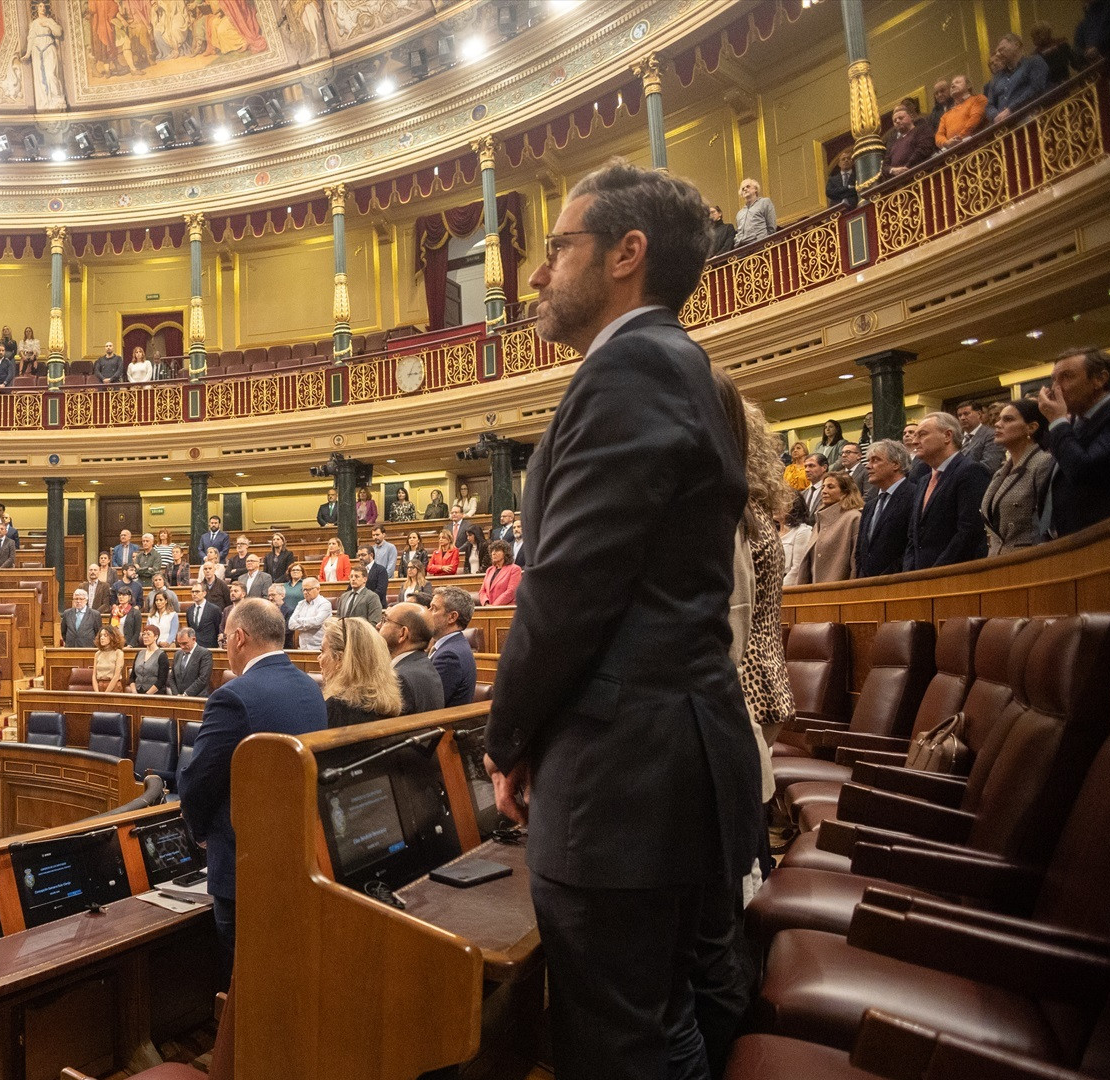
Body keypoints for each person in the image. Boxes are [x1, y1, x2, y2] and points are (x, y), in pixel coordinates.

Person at [482, 162, 762, 1080]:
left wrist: (507, 740)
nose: (537, 273)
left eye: (558, 247)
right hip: (669, 764)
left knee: (621, 1045)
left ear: (626, 254)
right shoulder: (678, 365)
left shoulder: (632, 367)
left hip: (624, 781)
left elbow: (567, 593)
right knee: (676, 1018)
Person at [179, 599, 327, 958]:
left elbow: (199, 781)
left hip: (243, 866)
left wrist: (199, 831)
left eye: (224, 638)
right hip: (297, 857)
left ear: (239, 638)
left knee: (242, 974)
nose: (225, 647)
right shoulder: (310, 687)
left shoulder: (233, 696)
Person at [719, 377, 790, 829]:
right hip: (768, 672)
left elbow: (732, 613)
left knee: (741, 818)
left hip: (746, 680)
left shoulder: (733, 514)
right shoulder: (755, 510)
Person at [1038, 347, 1110, 538]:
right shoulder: (1076, 421)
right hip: (1068, 538)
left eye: (1066, 377)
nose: (1056, 388)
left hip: (1105, 538)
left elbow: (1084, 470)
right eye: (1054, 379)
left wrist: (1057, 421)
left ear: (1099, 379)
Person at [904, 412, 992, 570]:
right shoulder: (923, 481)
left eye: (922, 434)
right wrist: (910, 572)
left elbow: (969, 531)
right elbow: (913, 535)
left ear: (947, 436)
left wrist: (937, 571)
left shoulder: (971, 471)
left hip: (956, 574)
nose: (915, 441)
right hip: (921, 576)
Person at [982, 399, 1056, 555]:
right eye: (999, 419)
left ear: (1031, 427)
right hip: (998, 560)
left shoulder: (1043, 463)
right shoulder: (1000, 473)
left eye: (1008, 419)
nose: (997, 424)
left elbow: (1047, 523)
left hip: (1031, 558)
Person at [317, 616, 402, 729]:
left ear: (339, 659)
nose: (319, 658)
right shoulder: (386, 704)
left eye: (322, 651)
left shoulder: (336, 708)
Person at [854, 439, 919, 577]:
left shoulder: (915, 495)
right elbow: (860, 550)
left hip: (899, 581)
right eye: (868, 461)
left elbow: (912, 543)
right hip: (867, 583)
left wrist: (889, 577)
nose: (868, 466)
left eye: (875, 460)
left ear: (896, 464)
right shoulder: (870, 506)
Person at [379, 602, 445, 715]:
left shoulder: (400, 678)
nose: (378, 625)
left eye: (385, 620)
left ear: (402, 633)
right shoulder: (423, 664)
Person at [803, 473, 863, 584]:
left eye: (830, 487)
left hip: (839, 590)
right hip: (815, 589)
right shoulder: (820, 520)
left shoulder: (853, 518)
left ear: (845, 492)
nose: (824, 491)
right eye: (823, 487)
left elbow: (856, 561)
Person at [986, 32, 1049, 123]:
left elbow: (1036, 89)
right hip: (1003, 126)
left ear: (1016, 45)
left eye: (1001, 49)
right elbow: (989, 105)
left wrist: (1010, 110)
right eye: (997, 52)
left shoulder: (1034, 62)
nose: (998, 54)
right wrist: (996, 116)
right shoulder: (997, 77)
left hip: (1029, 118)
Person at [936, 73, 988, 147]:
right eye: (951, 85)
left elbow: (975, 120)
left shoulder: (978, 99)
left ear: (968, 86)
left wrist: (958, 139)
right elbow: (939, 135)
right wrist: (947, 143)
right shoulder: (945, 115)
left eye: (958, 82)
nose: (953, 85)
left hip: (977, 146)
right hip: (956, 151)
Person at [885, 102, 935, 176]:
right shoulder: (893, 143)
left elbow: (923, 150)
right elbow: (885, 165)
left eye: (901, 118)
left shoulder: (922, 130)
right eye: (895, 121)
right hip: (898, 179)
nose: (897, 121)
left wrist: (906, 168)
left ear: (911, 117)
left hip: (920, 175)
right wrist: (892, 170)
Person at [288, 577, 332, 650]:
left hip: (319, 647)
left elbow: (317, 622)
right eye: (303, 590)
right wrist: (309, 624)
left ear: (318, 589)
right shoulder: (300, 604)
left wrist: (299, 620)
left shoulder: (324, 604)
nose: (305, 592)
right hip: (303, 647)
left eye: (308, 589)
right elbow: (291, 625)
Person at [733, 177, 776, 247]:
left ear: (755, 189)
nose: (745, 189)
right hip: (742, 248)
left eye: (748, 186)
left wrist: (765, 243)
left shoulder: (764, 202)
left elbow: (771, 227)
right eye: (743, 189)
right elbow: (738, 232)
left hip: (759, 245)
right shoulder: (739, 213)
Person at [170, 625, 212, 697]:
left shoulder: (204, 654)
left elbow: (203, 679)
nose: (182, 647)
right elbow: (171, 677)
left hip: (197, 698)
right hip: (178, 697)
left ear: (194, 639)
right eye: (180, 644)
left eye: (184, 643)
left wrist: (186, 694)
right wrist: (176, 695)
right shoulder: (177, 654)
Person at [480, 541, 522, 605]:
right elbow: (482, 591)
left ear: (505, 553)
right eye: (492, 551)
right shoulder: (489, 570)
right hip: (488, 608)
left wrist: (494, 606)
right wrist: (486, 604)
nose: (493, 553)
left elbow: (511, 591)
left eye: (497, 550)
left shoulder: (515, 569)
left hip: (505, 608)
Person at [90, 628, 125, 692]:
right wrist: (97, 692)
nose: (102, 638)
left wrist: (106, 693)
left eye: (105, 635)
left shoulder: (118, 653)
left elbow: (116, 676)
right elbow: (94, 676)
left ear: (112, 637)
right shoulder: (98, 654)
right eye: (101, 635)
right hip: (99, 687)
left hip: (114, 688)